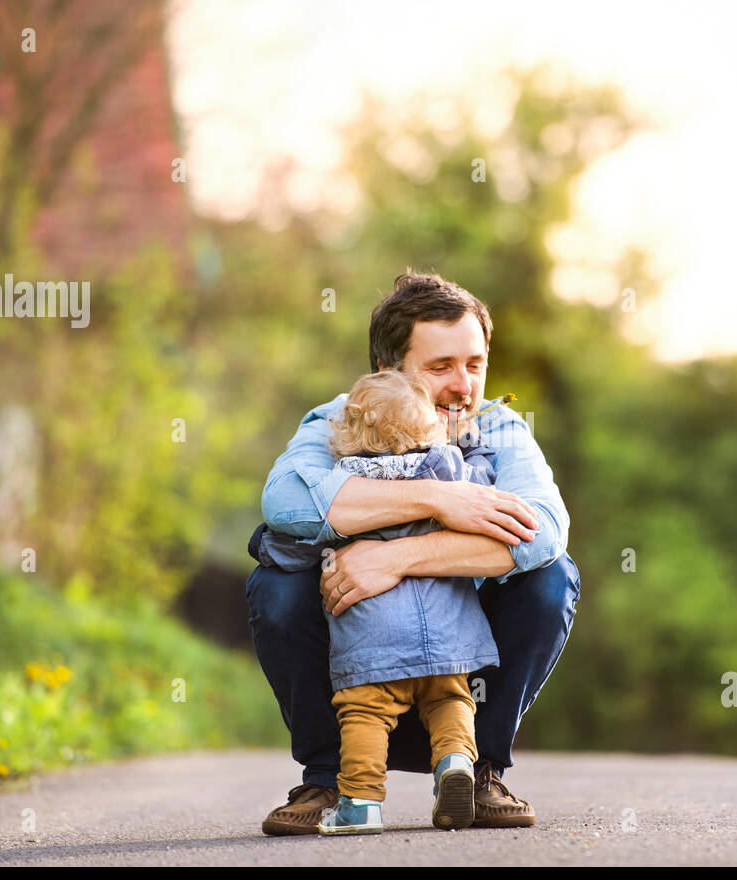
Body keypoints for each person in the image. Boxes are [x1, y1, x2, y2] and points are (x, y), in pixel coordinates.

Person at [246, 270, 580, 835]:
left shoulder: (501, 431)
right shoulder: (341, 419)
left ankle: (478, 773)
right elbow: (284, 503)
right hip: (356, 683)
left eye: (474, 365)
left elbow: (542, 532)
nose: (463, 386)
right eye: (440, 367)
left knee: (552, 578)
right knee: (275, 582)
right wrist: (438, 496)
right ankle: (328, 778)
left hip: (457, 689)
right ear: (388, 371)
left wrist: (396, 557)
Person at [254, 369, 501, 833]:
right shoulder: (450, 471)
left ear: (347, 437)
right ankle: (456, 766)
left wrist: (266, 548)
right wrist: (477, 451)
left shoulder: (347, 486)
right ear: (429, 428)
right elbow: (486, 495)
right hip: (446, 636)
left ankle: (361, 804)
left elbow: (296, 542)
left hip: (372, 641)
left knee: (364, 714)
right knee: (451, 699)